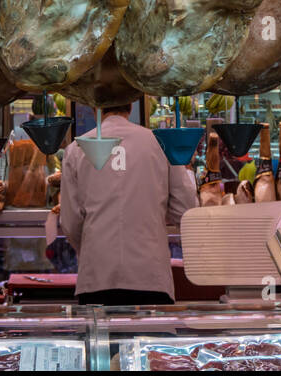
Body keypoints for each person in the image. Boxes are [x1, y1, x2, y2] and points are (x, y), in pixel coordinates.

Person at [59, 110, 197, 305]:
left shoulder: (75, 149)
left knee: (100, 336)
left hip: (97, 276)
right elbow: (186, 210)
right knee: (151, 336)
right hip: (150, 275)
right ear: (131, 105)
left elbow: (70, 221)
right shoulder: (161, 143)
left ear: (94, 106)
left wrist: (91, 249)